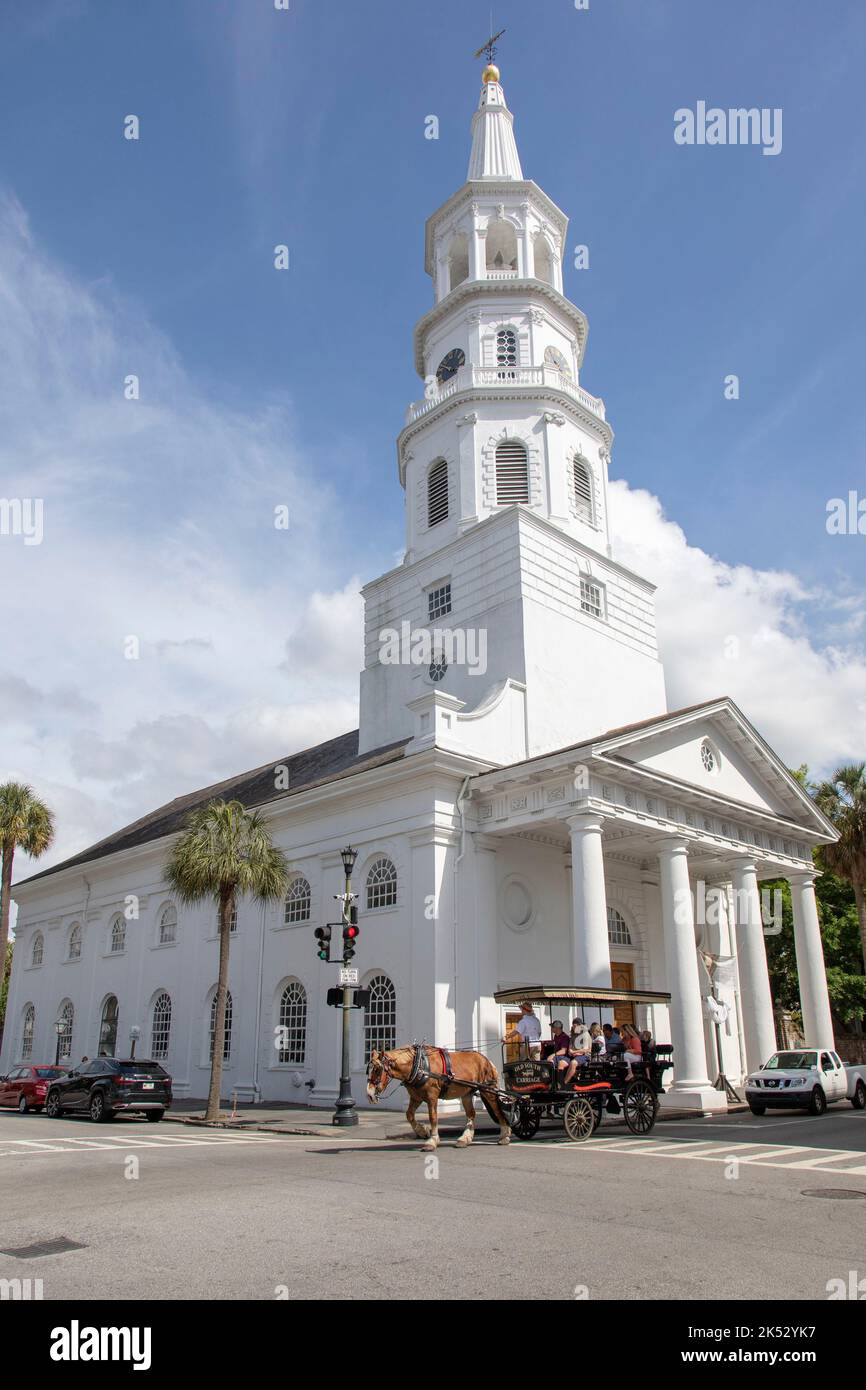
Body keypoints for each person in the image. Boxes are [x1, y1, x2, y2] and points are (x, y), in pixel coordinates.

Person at [563, 1018, 592, 1085]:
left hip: (585, 1056)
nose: (573, 1027)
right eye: (573, 1026)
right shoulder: (573, 1034)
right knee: (561, 1063)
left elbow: (585, 1050)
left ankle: (564, 1083)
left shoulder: (585, 1034)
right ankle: (558, 1082)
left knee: (573, 1063)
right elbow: (570, 1046)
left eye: (575, 1026)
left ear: (580, 1026)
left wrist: (574, 1052)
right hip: (573, 1055)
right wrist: (570, 1051)